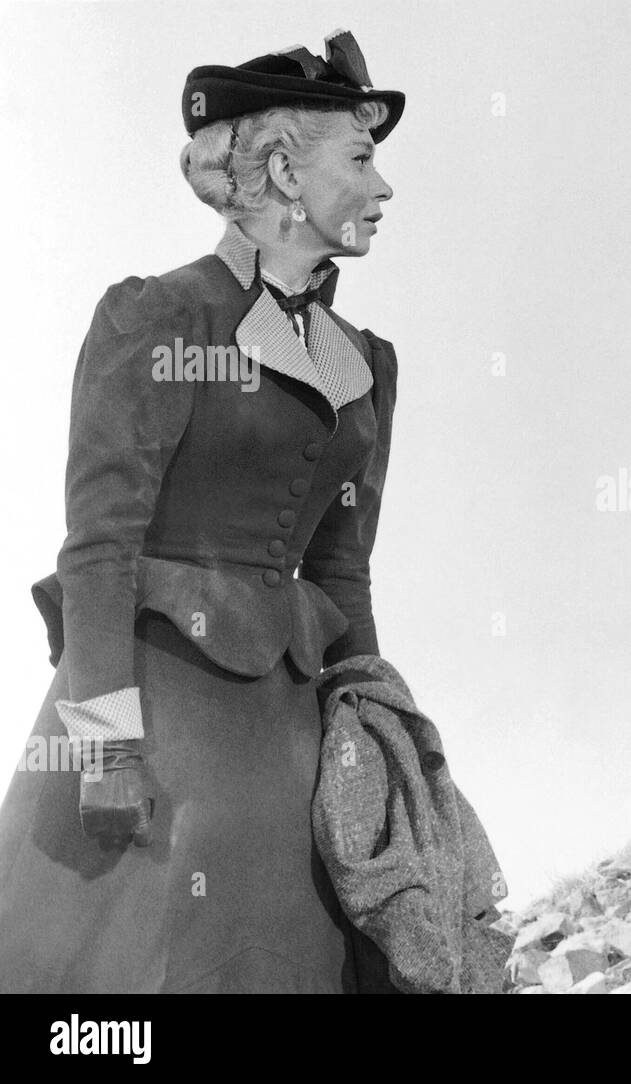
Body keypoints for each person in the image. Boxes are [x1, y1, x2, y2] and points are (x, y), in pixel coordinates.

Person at [0, 30, 407, 992]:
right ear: (281, 171)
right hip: (157, 723)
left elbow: (342, 574)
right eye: (361, 159)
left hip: (293, 748)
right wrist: (106, 749)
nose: (384, 189)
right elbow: (100, 547)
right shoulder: (162, 315)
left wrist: (377, 735)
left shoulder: (368, 362)